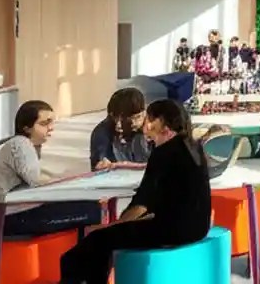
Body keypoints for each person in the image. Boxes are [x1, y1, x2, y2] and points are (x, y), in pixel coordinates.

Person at [59, 99, 212, 284]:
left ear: (164, 124)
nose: (145, 127)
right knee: (102, 241)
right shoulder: (193, 147)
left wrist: (115, 225)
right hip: (198, 227)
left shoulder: (164, 153)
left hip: (176, 230)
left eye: (150, 120)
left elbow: (142, 203)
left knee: (92, 244)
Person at [0, 100, 102, 240]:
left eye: (51, 123)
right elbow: (36, 182)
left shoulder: (27, 146)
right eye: (44, 124)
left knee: (83, 206)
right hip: (5, 220)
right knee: (92, 210)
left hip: (9, 215)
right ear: (27, 128)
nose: (51, 128)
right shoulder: (20, 144)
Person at [89, 87, 150, 170]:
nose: (118, 125)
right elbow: (100, 166)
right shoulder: (102, 132)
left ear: (142, 114)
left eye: (126, 120)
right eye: (115, 119)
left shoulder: (155, 128)